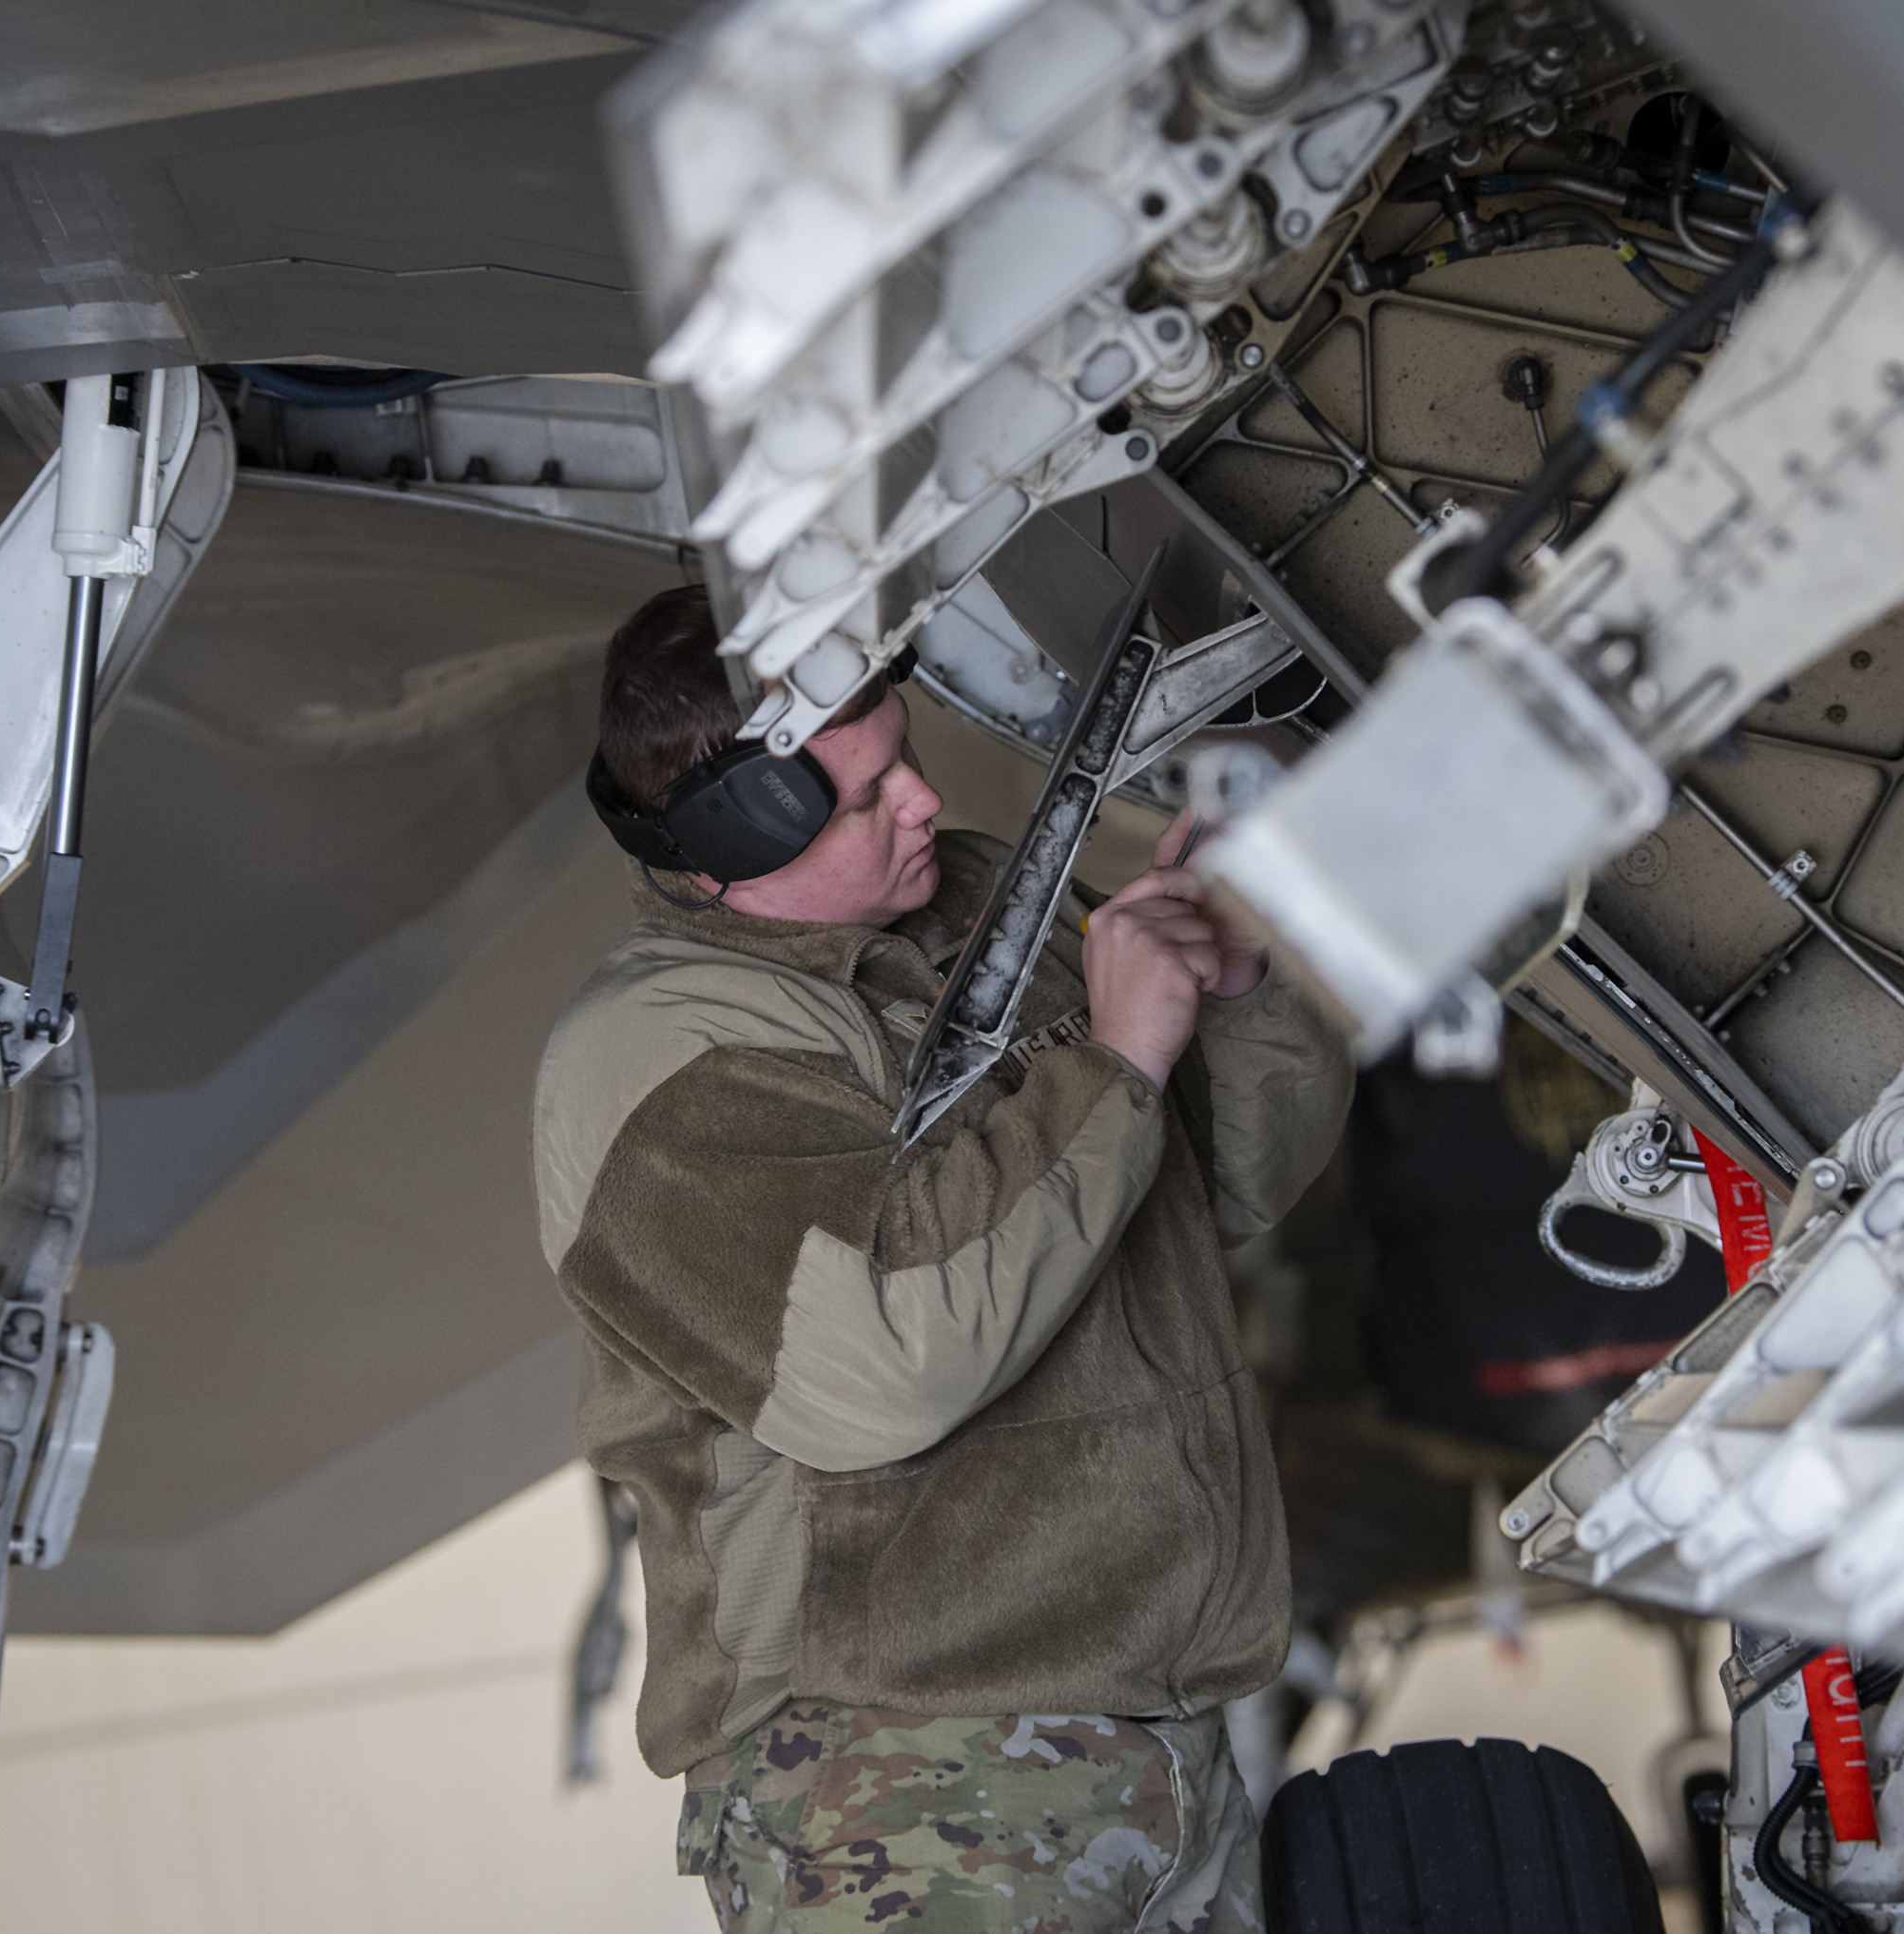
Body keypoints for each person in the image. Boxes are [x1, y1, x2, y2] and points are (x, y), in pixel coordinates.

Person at [532, 585, 1353, 1932]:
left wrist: (1238, 987)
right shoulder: (657, 1056)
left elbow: (1225, 1190)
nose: (921, 798)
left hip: (1158, 1726)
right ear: (739, 840)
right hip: (900, 1778)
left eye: (903, 753)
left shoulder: (979, 902)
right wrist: (1114, 1058)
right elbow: (885, 1363)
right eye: (869, 796)